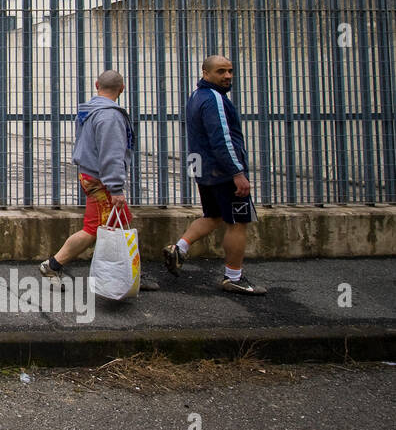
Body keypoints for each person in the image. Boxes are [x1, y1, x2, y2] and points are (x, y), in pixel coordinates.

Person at [38, 69, 157, 290]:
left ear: (96, 85)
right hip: (101, 180)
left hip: (91, 175)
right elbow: (111, 154)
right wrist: (116, 188)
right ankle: (52, 265)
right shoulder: (110, 116)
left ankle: (132, 275)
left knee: (122, 223)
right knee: (93, 229)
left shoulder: (90, 110)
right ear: (122, 89)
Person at [164, 55, 267, 294]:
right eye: (221, 71)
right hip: (222, 172)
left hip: (207, 170)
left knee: (213, 216)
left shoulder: (196, 96)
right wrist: (237, 173)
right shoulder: (214, 99)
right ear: (205, 73)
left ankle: (179, 248)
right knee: (238, 223)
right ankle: (233, 276)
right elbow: (222, 139)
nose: (228, 76)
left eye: (230, 71)